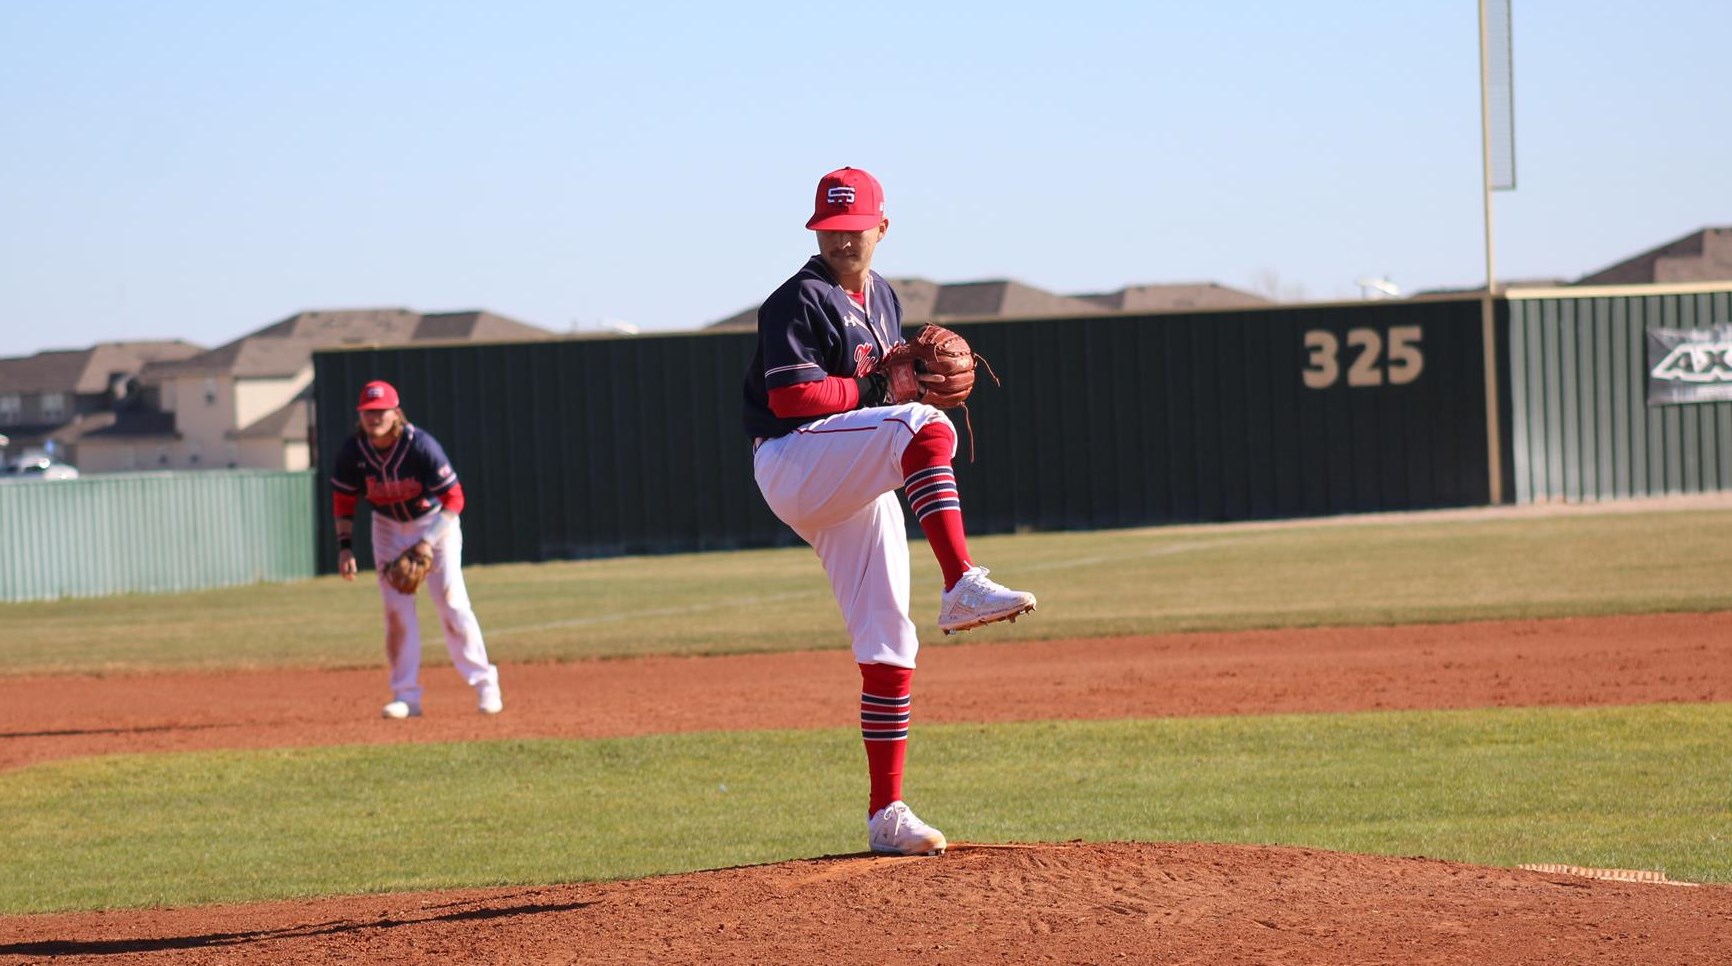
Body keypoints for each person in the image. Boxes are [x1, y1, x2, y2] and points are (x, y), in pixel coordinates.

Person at [743, 166, 1037, 856]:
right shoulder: (797, 299)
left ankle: (887, 814)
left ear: (882, 227)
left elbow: (877, 392)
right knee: (922, 427)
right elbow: (792, 402)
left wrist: (887, 388)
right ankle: (961, 581)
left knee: (888, 641)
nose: (844, 239)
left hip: (847, 469)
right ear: (820, 231)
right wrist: (878, 384)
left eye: (855, 228)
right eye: (832, 229)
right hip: (792, 459)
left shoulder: (884, 298)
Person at [328, 379, 503, 718]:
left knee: (451, 603)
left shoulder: (420, 446)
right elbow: (343, 500)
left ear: (396, 413)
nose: (374, 417)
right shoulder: (353, 452)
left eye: (381, 411)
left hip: (434, 523)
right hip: (386, 526)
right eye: (367, 412)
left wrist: (426, 542)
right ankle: (406, 696)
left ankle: (486, 684)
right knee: (396, 611)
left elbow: (455, 499)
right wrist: (345, 548)